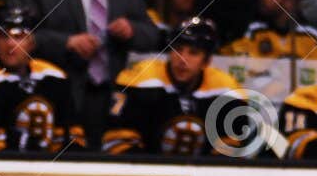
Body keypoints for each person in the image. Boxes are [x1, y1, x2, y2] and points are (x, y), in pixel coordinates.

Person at [24, 0, 161, 142]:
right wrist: (67, 42)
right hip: (61, 97)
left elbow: (153, 36)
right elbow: (22, 37)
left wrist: (132, 30)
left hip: (113, 100)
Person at [102, 17, 256, 156]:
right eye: (178, 50)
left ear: (207, 61)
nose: (183, 59)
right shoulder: (140, 79)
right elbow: (117, 142)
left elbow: (231, 154)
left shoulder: (226, 90)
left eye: (193, 52)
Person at [0, 4, 79, 154]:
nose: (10, 44)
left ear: (32, 42)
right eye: (4, 36)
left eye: (19, 36)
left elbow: (70, 137)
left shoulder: (54, 77)